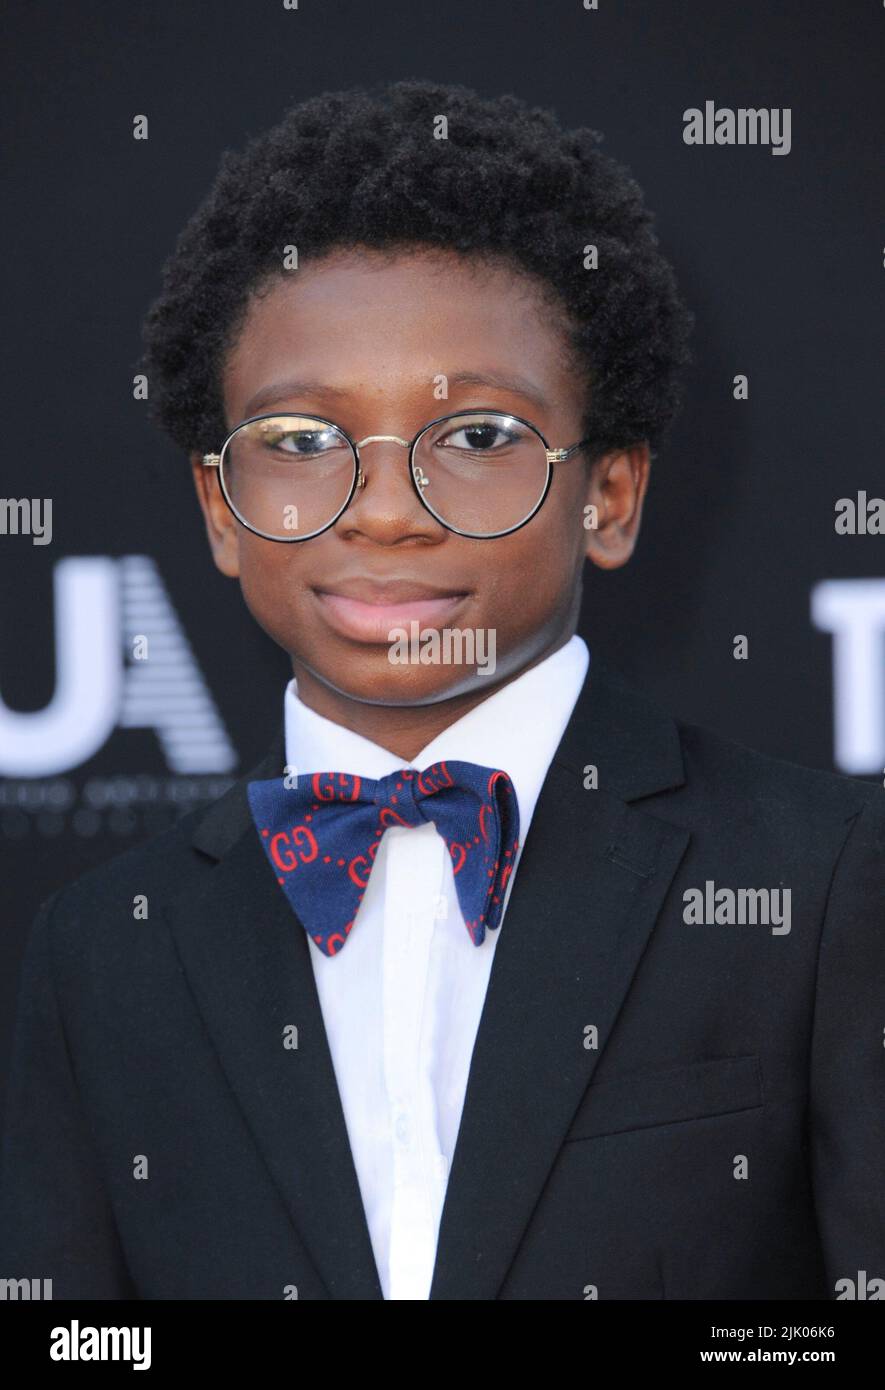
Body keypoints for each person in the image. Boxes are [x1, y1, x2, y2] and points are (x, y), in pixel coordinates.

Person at [1, 79, 882, 1302]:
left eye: (475, 436)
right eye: (302, 440)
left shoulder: (826, 880)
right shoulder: (102, 948)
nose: (384, 509)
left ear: (610, 496)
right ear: (219, 506)